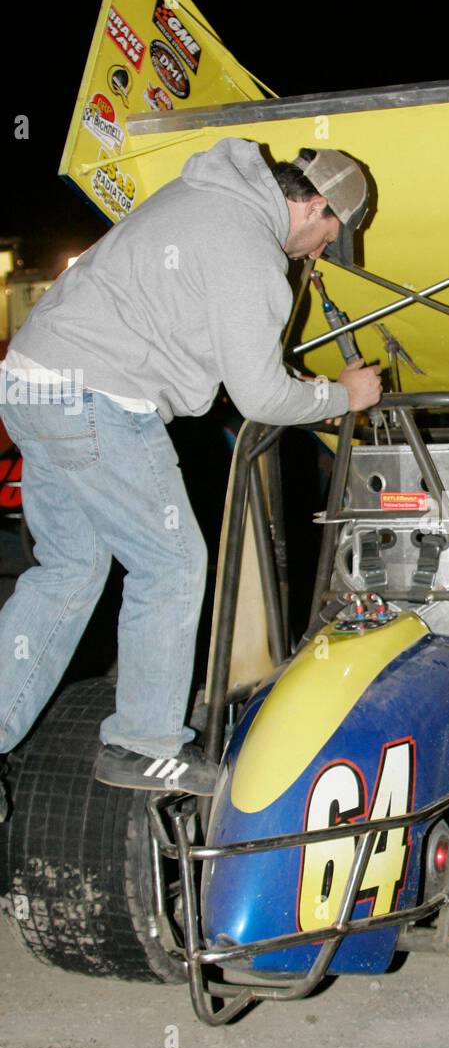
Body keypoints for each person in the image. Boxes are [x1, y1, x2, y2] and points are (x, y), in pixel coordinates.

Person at [0, 138, 382, 800]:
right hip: (97, 396)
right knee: (172, 565)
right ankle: (144, 742)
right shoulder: (251, 248)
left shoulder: (201, 196)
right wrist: (341, 396)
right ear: (315, 205)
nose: (320, 252)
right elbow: (261, 397)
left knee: (68, 570)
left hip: (32, 383)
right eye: (330, 234)